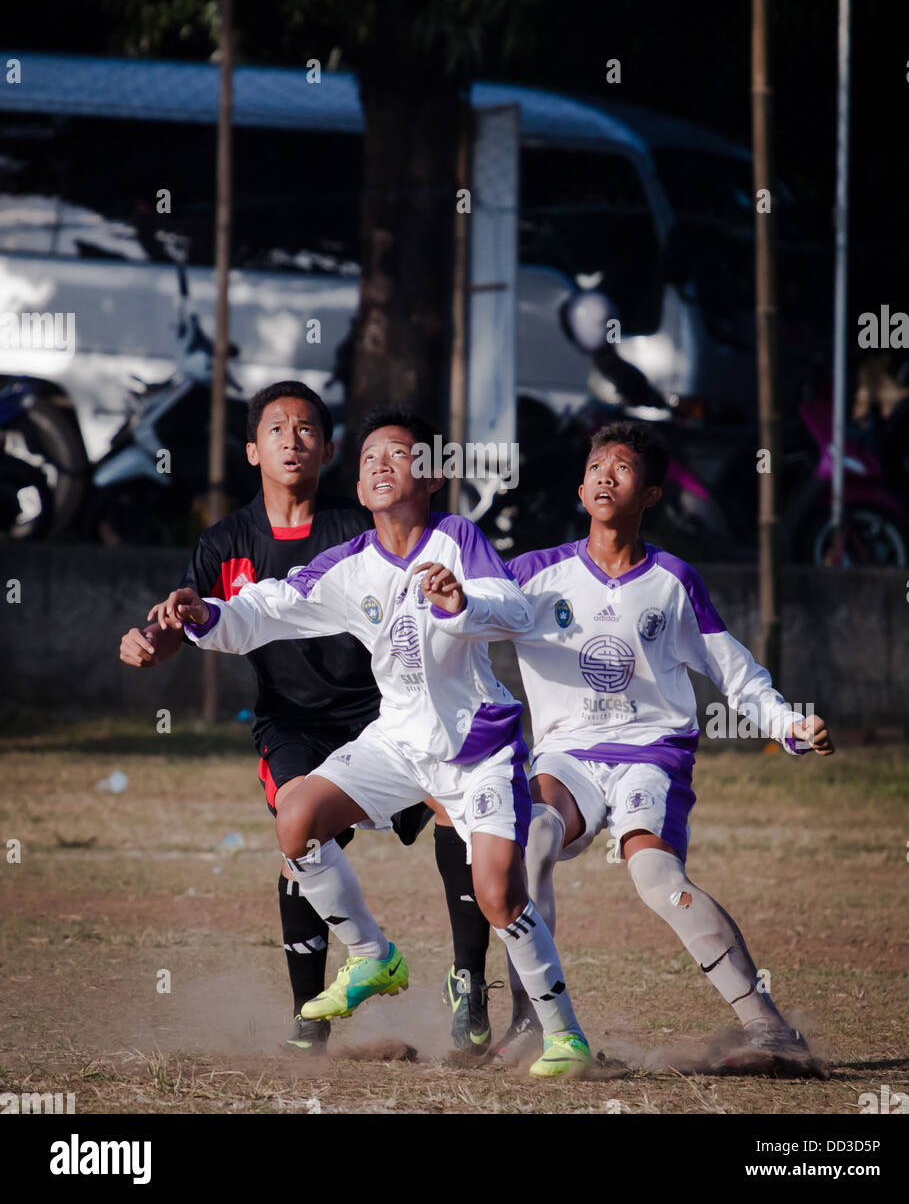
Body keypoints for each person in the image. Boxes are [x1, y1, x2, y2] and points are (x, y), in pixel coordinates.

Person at [149, 404, 592, 1078]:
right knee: (296, 818)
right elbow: (268, 608)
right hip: (398, 743)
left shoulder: (457, 539)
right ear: (356, 488)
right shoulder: (350, 564)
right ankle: (370, 955)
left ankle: (565, 1036)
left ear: (433, 475)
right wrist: (206, 613)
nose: (383, 466)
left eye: (400, 455)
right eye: (369, 459)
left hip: (479, 751)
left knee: (500, 897)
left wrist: (462, 602)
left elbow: (514, 607)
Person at [119, 382, 485, 1054]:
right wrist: (153, 640)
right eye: (278, 429)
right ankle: (310, 1015)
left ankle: (470, 986)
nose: (293, 440)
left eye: (309, 428)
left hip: (385, 711)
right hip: (292, 723)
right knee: (299, 834)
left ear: (330, 448)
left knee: (454, 807)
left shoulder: (359, 530)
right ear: (253, 449)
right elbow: (194, 622)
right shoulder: (225, 543)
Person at [493, 418, 833, 1075]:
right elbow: (462, 623)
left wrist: (789, 725)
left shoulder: (674, 581)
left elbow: (736, 675)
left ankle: (769, 1028)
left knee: (657, 878)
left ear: (650, 495)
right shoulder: (531, 576)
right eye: (596, 468)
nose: (605, 478)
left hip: (651, 755)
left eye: (621, 469)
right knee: (530, 835)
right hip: (566, 757)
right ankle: (533, 1017)